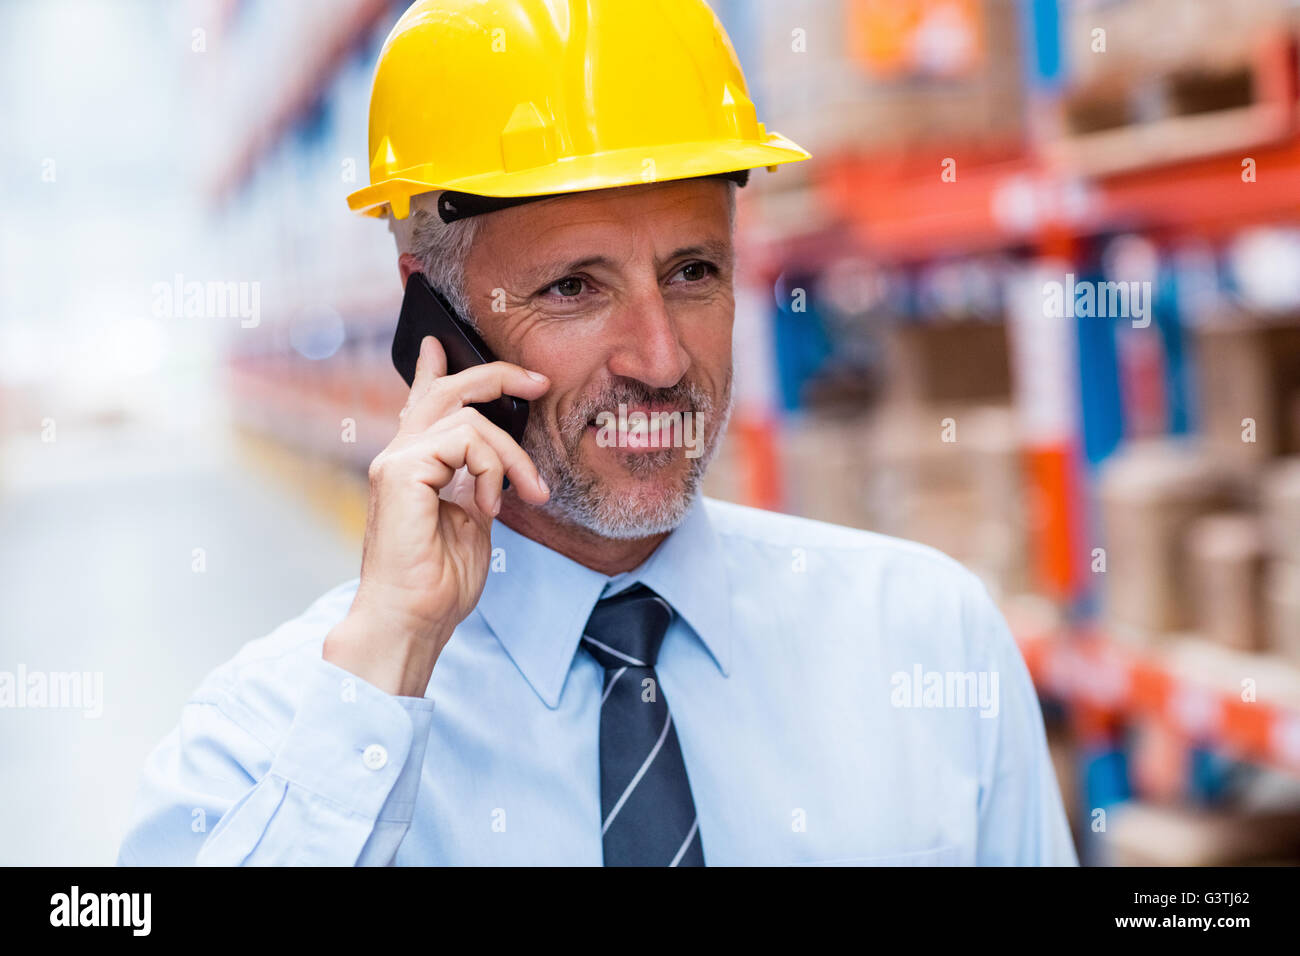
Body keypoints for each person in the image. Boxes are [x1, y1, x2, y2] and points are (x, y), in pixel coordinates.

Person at [118, 0, 1077, 866]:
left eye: (694, 271)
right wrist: (385, 664)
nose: (660, 359)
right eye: (573, 288)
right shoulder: (278, 735)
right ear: (436, 322)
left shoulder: (927, 640)